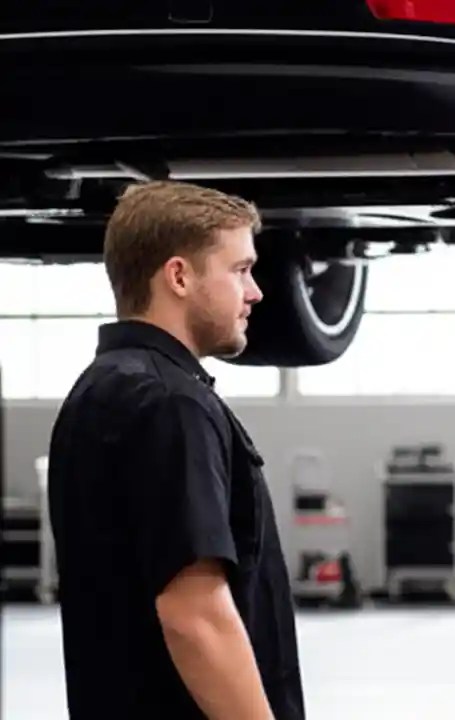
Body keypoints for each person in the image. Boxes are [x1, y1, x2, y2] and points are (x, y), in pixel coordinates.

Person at [47, 181, 304, 719]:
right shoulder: (169, 404)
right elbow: (197, 616)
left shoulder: (102, 387)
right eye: (240, 270)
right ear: (179, 276)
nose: (255, 291)